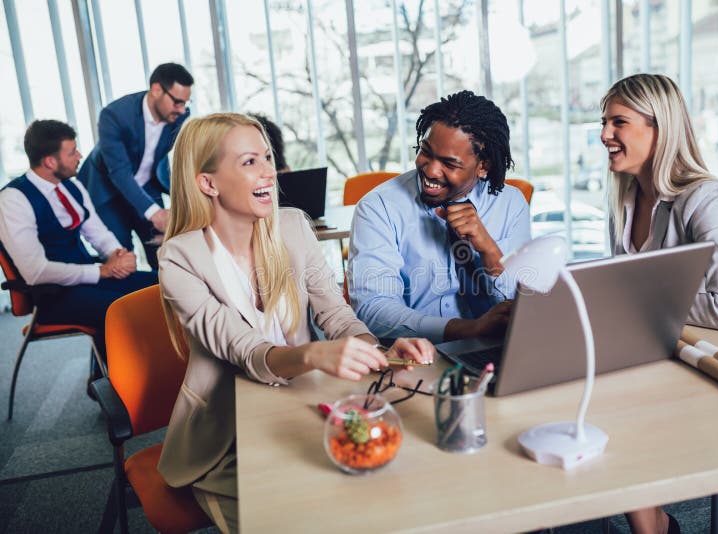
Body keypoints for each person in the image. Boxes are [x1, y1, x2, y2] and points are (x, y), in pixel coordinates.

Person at [157, 112, 434, 532]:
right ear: (208, 183)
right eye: (250, 161)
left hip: (303, 405)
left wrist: (377, 351)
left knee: (381, 495)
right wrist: (314, 353)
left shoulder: (292, 227)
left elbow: (335, 313)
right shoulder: (179, 258)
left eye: (268, 157)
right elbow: (247, 351)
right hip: (228, 434)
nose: (270, 171)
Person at [601, 73, 718, 533]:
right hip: (651, 350)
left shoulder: (704, 196)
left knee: (612, 406)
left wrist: (633, 301)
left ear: (658, 127)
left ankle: (654, 527)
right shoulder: (625, 197)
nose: (605, 135)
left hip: (701, 358)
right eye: (603, 122)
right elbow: (622, 289)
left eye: (618, 122)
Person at [347, 90, 531, 344]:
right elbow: (374, 311)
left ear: (483, 166)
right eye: (426, 152)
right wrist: (469, 329)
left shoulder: (510, 204)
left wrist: (488, 249)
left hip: (498, 351)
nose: (431, 170)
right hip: (417, 354)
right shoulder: (379, 207)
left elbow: (523, 309)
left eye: (450, 163)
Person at [0, 120, 157, 392]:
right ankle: (119, 388)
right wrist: (102, 271)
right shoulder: (13, 200)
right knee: (118, 308)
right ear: (50, 161)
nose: (80, 156)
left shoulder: (71, 187)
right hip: (53, 295)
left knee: (159, 285)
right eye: (72, 152)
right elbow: (35, 271)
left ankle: (141, 372)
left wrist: (118, 254)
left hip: (90, 279)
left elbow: (98, 232)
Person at [78, 63, 193, 269]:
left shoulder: (178, 115)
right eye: (177, 102)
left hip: (146, 185)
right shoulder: (114, 115)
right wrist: (154, 213)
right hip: (108, 192)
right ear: (157, 90)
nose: (182, 109)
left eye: (185, 102)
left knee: (165, 252)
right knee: (123, 258)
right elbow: (119, 172)